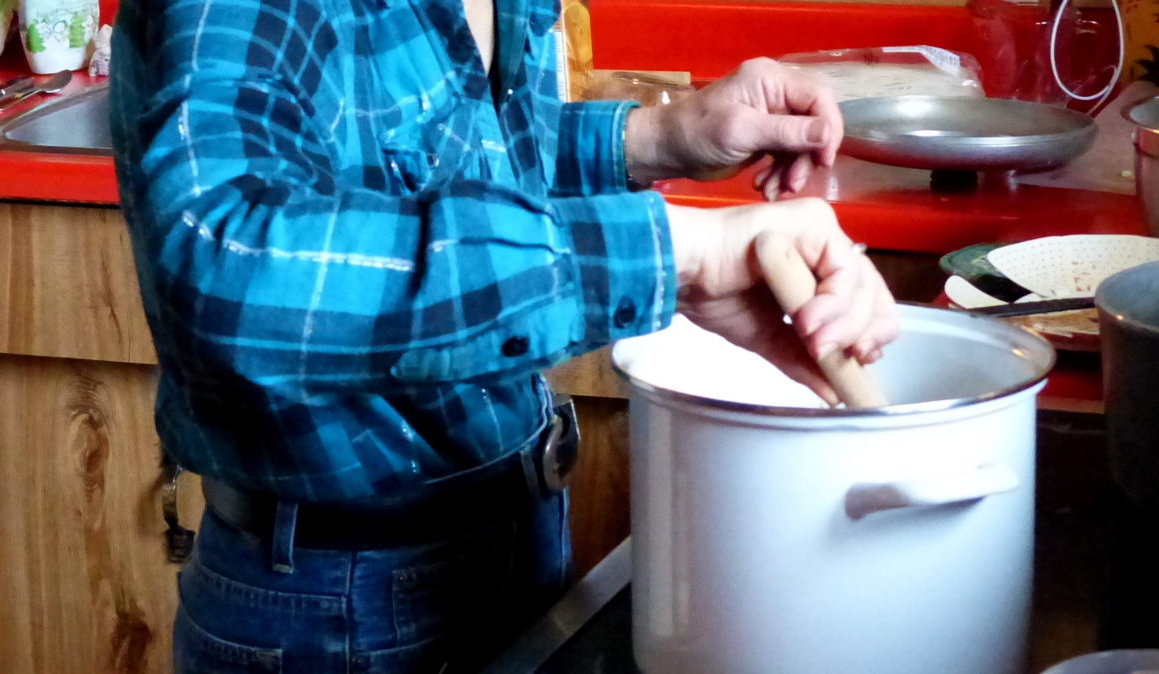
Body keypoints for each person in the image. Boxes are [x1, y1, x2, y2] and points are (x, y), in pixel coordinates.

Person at [109, 0, 898, 671]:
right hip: (337, 603)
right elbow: (226, 263)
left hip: (508, 536)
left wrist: (665, 135)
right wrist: (679, 251)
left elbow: (456, 155)